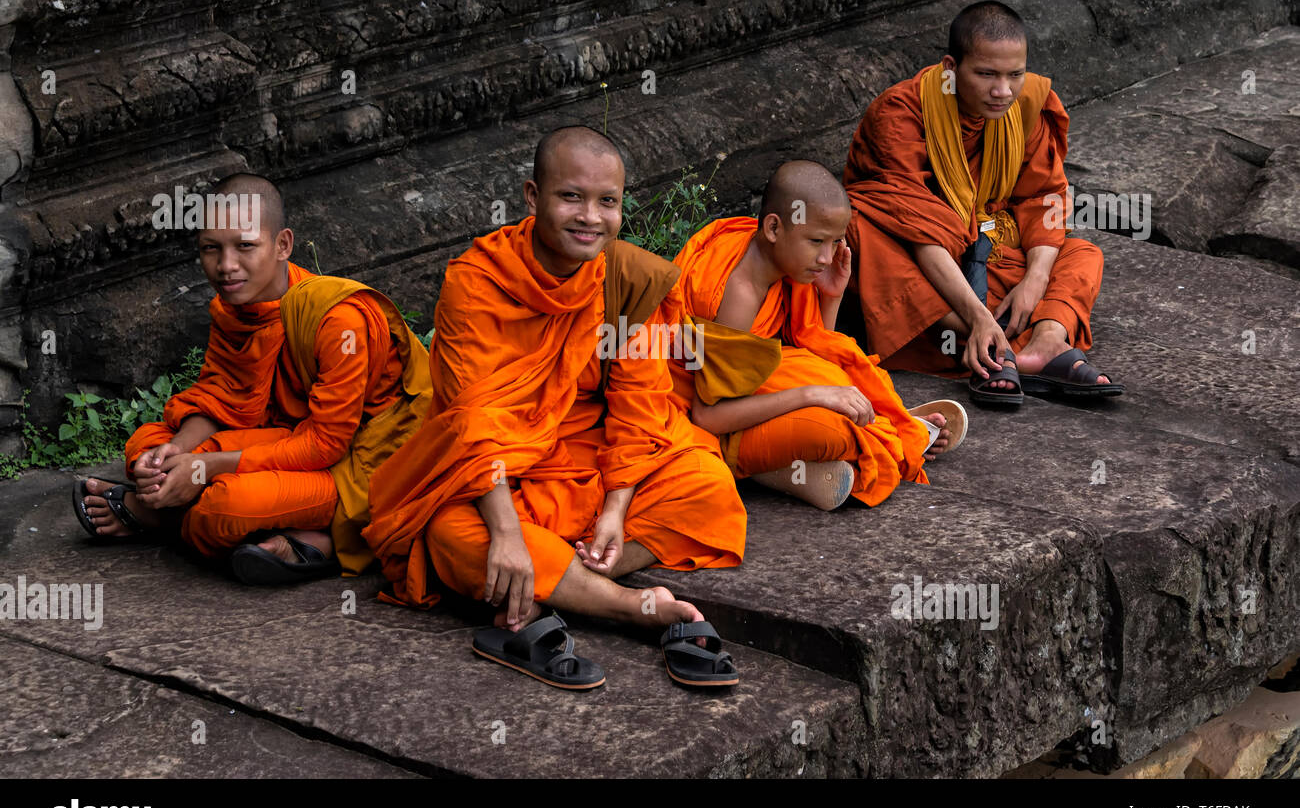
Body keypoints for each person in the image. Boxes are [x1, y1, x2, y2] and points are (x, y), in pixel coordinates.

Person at [363, 126, 746, 690]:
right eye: (571, 196)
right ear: (531, 197)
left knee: (707, 486)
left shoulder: (626, 279)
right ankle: (624, 604)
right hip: (501, 476)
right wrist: (508, 533)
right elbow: (472, 421)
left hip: (588, 461)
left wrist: (616, 509)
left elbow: (638, 406)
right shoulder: (477, 284)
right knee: (449, 533)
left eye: (607, 201)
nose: (590, 216)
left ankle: (551, 579)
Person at [73, 174, 432, 585]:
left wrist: (204, 469)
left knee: (225, 507)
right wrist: (175, 452)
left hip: (354, 468)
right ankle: (285, 534)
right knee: (145, 449)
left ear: (282, 245)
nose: (226, 267)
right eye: (211, 249)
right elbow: (220, 398)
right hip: (279, 438)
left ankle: (161, 517)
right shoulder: (235, 308)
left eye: (245, 246)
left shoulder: (337, 321)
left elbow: (326, 445)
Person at [842, 0, 1123, 404]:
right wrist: (977, 316)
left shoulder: (1027, 106)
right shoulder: (900, 115)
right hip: (926, 260)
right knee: (860, 230)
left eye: (1015, 75)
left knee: (1080, 254)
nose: (1003, 91)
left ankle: (1044, 340)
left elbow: (1044, 198)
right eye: (986, 74)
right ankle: (988, 339)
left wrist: (1034, 282)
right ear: (951, 69)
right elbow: (915, 225)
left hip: (989, 247)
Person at [670, 160, 965, 512]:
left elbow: (812, 346)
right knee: (834, 430)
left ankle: (851, 443)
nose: (826, 257)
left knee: (838, 385)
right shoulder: (741, 294)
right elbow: (709, 417)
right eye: (816, 241)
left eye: (836, 241)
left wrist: (832, 295)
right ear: (774, 228)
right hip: (706, 424)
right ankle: (879, 433)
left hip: (751, 399)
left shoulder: (779, 261)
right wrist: (813, 394)